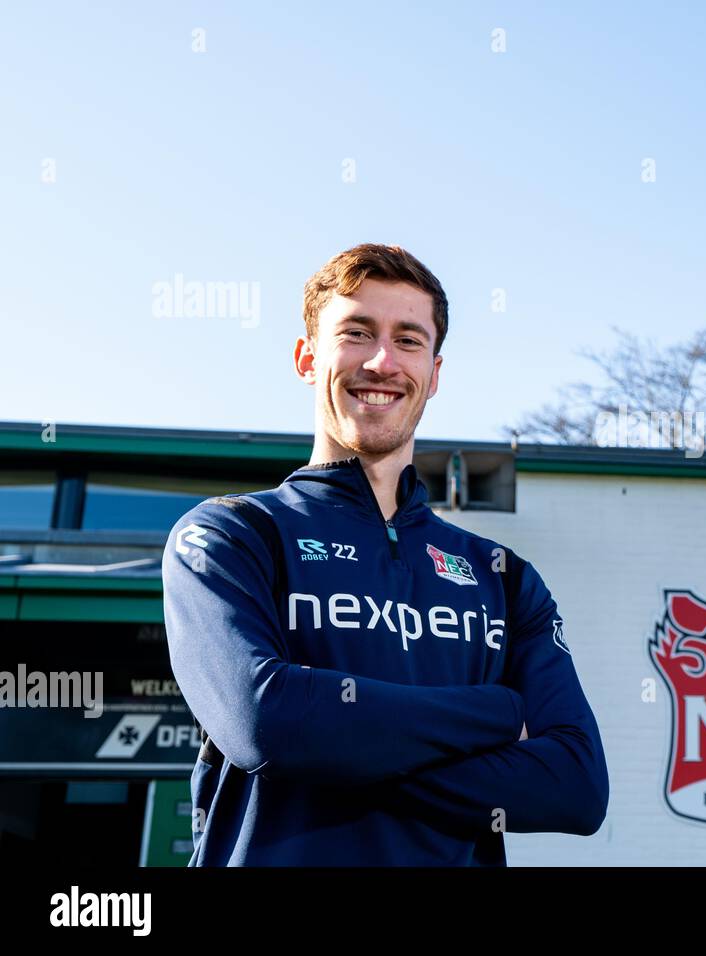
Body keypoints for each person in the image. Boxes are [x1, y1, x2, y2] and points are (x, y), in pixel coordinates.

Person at [162, 243, 609, 865]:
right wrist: (501, 712)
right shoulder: (230, 535)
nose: (381, 361)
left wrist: (330, 747)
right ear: (306, 357)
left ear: (434, 372)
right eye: (356, 333)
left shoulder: (503, 579)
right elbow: (264, 723)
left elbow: (577, 787)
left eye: (408, 340)